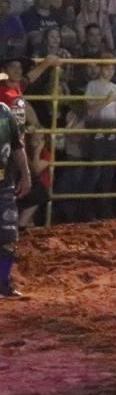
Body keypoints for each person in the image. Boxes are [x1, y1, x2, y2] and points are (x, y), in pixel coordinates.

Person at [0, 86, 31, 299]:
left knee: (9, 236)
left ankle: (3, 282)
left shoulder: (4, 112)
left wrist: (26, 174)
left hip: (5, 183)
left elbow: (17, 146)